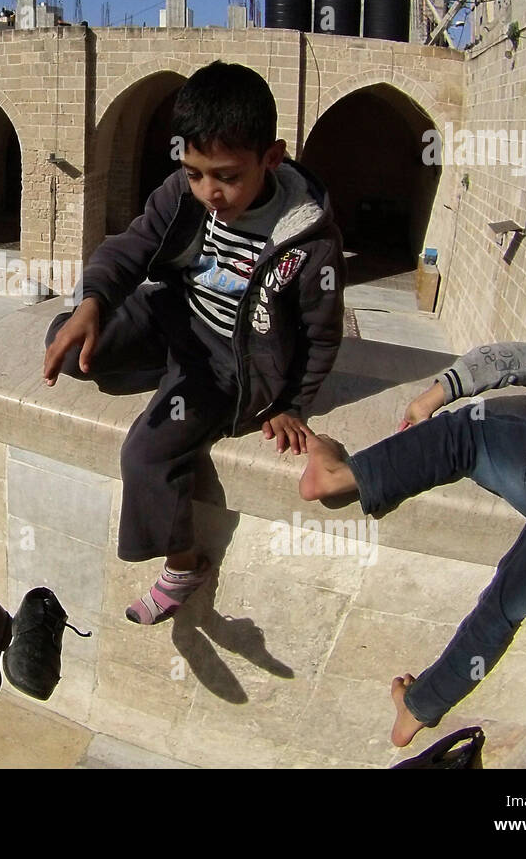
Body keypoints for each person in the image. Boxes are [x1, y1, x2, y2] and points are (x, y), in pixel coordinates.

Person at [43, 61, 346, 624]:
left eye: (227, 176)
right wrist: (91, 304)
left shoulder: (307, 235)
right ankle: (157, 367)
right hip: (176, 314)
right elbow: (131, 248)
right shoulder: (183, 192)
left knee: (145, 453)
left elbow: (322, 334)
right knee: (69, 338)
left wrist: (288, 404)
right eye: (196, 173)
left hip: (228, 358)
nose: (211, 192)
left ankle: (183, 564)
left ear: (271, 159)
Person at [298, 310, 526, 747]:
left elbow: (507, 360)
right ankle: (418, 708)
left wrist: (428, 401)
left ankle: (339, 476)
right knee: (503, 607)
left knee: (466, 435)